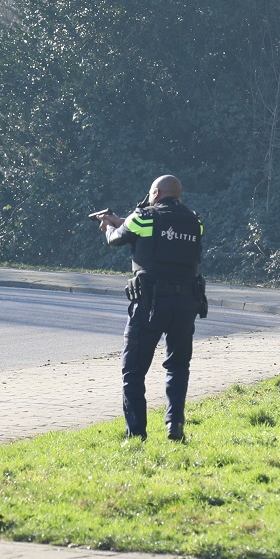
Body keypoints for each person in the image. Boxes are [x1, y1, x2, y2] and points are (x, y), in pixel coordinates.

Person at [93, 175, 206, 442]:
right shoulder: (195, 221)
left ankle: (136, 434)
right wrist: (123, 220)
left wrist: (108, 226)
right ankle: (174, 425)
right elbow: (164, 238)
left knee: (133, 370)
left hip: (150, 303)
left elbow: (117, 239)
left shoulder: (143, 217)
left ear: (155, 193)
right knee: (178, 366)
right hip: (186, 303)